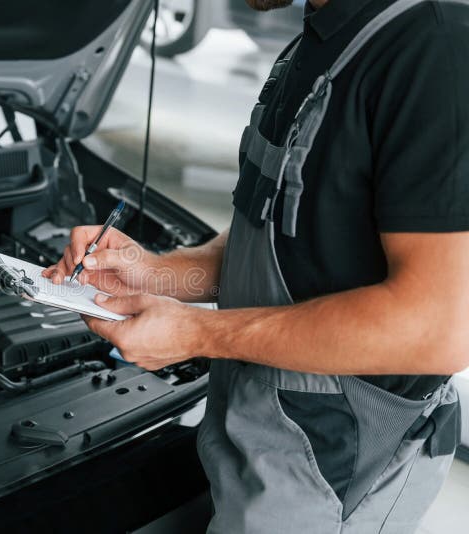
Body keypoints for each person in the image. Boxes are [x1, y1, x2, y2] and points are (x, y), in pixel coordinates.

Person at [43, 0, 469, 532]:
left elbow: (436, 328)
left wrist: (197, 332)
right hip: (255, 445)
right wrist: (156, 272)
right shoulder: (316, 42)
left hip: (333, 471)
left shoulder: (433, 50)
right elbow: (286, 242)